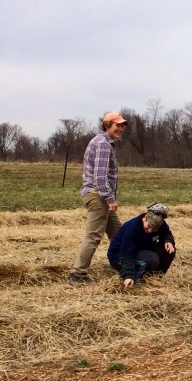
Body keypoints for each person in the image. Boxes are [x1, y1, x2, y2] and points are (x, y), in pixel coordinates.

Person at [70, 111, 127, 283]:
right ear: (107, 124)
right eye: (117, 125)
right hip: (98, 196)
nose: (121, 129)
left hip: (98, 195)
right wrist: (110, 200)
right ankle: (77, 274)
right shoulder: (103, 144)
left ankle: (124, 266)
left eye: (122, 125)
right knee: (93, 236)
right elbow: (100, 177)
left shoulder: (101, 141)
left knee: (119, 234)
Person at [108, 204, 176, 288]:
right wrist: (128, 275)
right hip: (119, 256)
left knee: (169, 250)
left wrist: (168, 241)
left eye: (154, 229)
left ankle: (156, 277)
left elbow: (166, 233)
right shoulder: (132, 227)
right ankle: (136, 280)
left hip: (141, 249)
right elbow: (126, 253)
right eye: (148, 226)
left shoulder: (160, 223)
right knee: (152, 259)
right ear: (145, 218)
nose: (150, 230)